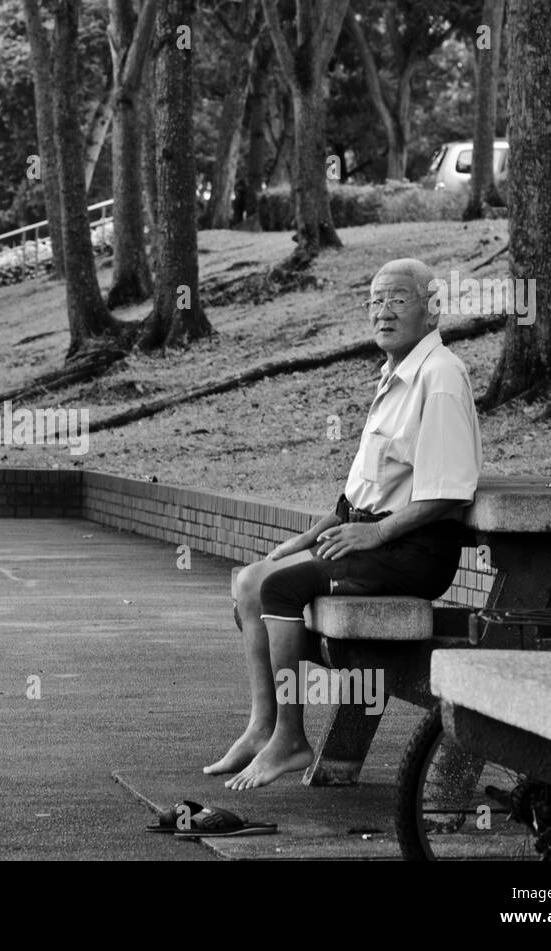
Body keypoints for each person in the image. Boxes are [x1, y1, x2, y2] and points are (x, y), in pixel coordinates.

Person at [205, 258, 482, 789]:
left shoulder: (440, 377)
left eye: (398, 299)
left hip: (412, 553)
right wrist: (303, 540)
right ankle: (263, 725)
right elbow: (356, 493)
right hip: (373, 540)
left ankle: (291, 737)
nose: (383, 311)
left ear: (433, 309)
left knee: (281, 590)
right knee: (250, 581)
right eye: (376, 301)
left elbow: (449, 493)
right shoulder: (395, 375)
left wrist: (375, 533)